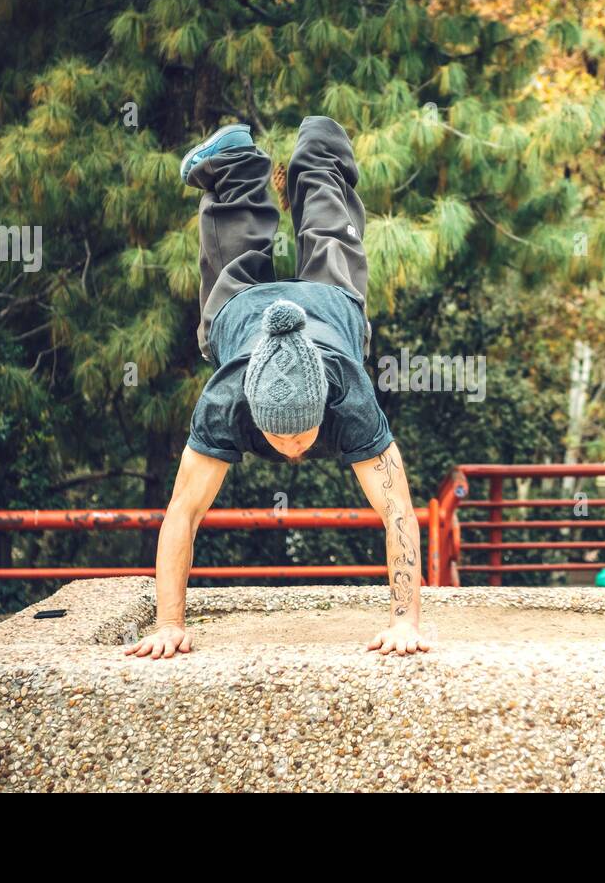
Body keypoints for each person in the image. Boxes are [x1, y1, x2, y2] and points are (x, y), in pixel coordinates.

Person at [125, 116, 431, 658]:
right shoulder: (225, 398)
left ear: (327, 404)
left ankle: (279, 159)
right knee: (324, 236)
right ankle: (267, 161)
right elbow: (184, 511)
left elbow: (398, 511)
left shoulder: (349, 392)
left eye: (303, 435)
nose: (293, 448)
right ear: (250, 408)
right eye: (280, 437)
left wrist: (406, 620)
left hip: (330, 314)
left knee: (270, 247)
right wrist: (168, 622)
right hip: (247, 316)